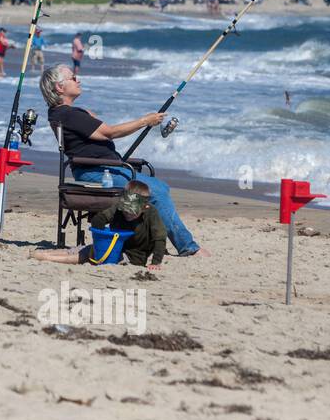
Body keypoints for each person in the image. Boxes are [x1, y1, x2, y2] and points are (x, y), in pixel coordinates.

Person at [41, 63, 207, 257]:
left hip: (106, 167)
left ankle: (133, 240)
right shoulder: (67, 114)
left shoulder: (68, 113)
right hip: (97, 171)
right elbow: (110, 133)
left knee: (158, 188)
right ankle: (188, 247)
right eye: (73, 78)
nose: (78, 80)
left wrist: (88, 115)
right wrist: (146, 121)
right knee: (158, 191)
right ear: (59, 87)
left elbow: (97, 126)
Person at [32, 181, 167, 268]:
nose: (127, 214)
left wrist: (156, 262)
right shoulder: (118, 208)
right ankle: (43, 253)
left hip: (132, 256)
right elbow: (99, 219)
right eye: (125, 209)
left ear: (145, 207)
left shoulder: (152, 214)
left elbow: (159, 238)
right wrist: (101, 237)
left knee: (87, 257)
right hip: (112, 245)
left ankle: (46, 257)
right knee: (81, 249)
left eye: (132, 212)